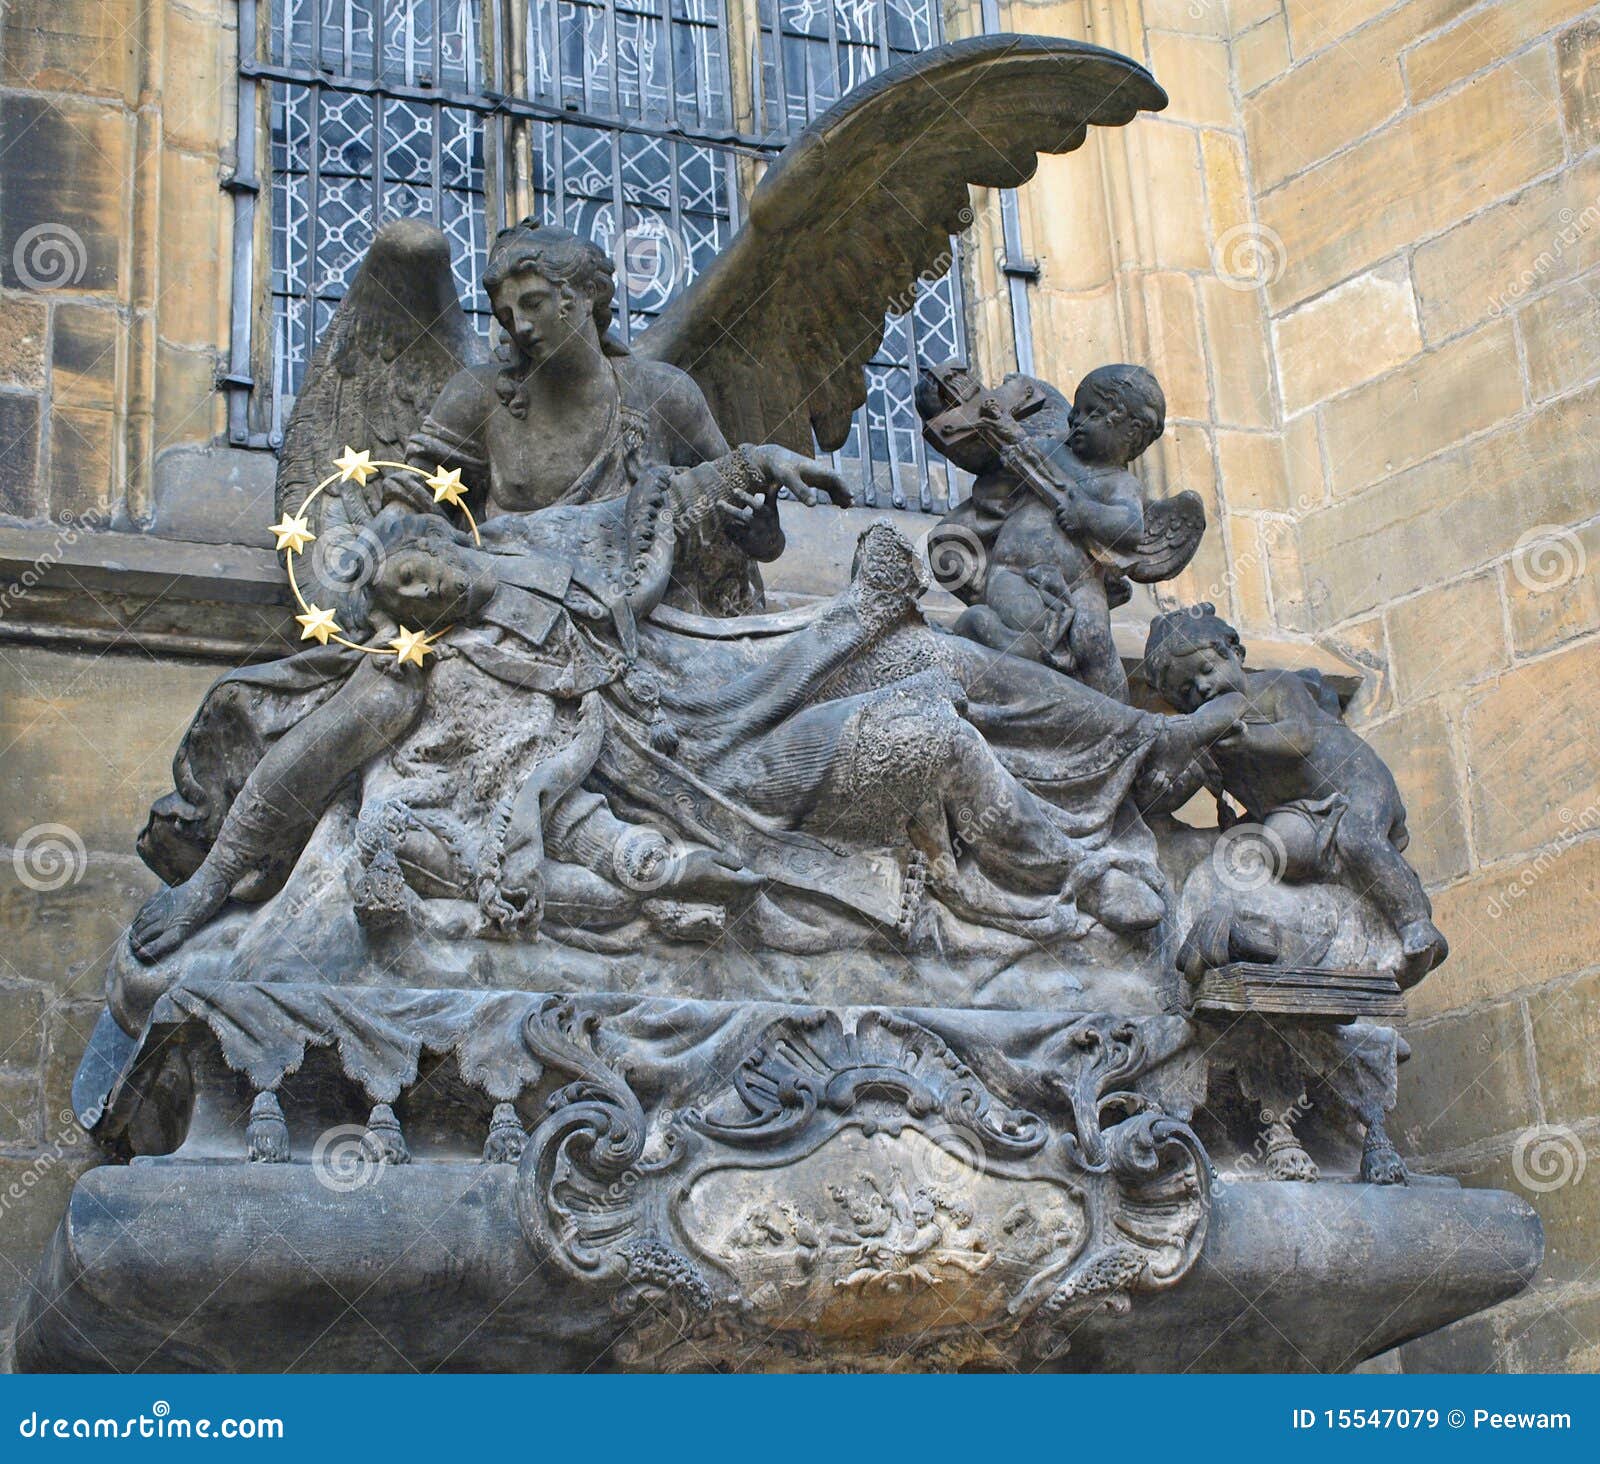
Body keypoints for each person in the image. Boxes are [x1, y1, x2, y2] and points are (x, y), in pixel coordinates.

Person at [1143, 603, 1449, 985]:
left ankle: (1414, 922)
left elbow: (1301, 737)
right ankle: (1296, 934)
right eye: (1186, 691)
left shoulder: (1272, 688)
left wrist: (1249, 738)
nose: (1202, 688)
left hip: (1353, 784)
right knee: (1268, 848)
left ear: (1235, 654)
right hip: (1299, 811)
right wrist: (1159, 786)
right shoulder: (1214, 741)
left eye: (1206, 670)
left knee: (1357, 838)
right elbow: (1182, 782)